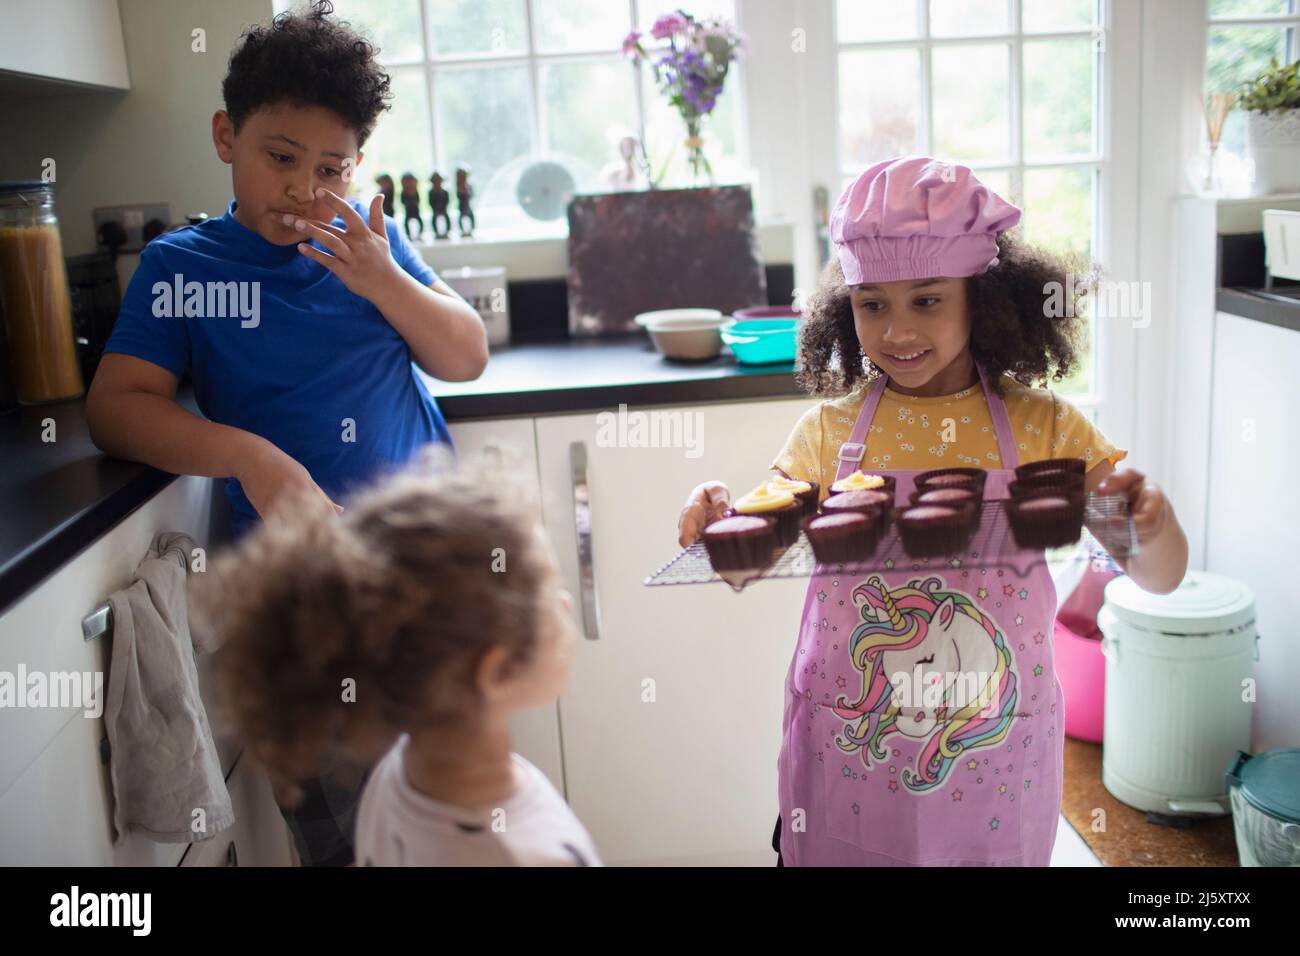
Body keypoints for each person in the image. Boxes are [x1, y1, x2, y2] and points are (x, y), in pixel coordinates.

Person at [677, 156, 1189, 866]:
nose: (895, 330)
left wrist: (1153, 526)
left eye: (926, 299)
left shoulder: (1048, 429)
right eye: (872, 304)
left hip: (993, 754)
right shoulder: (828, 435)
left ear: (982, 298)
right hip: (854, 747)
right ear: (845, 308)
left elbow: (1157, 578)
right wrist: (720, 523)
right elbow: (749, 556)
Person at [85, 0, 489, 865]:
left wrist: (386, 282)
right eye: (281, 158)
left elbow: (466, 357)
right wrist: (251, 457)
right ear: (227, 135)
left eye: (332, 168)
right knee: (347, 835)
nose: (307, 189)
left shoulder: (370, 243)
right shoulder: (182, 267)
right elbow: (115, 405)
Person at [193, 457, 600, 866]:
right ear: (493, 672)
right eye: (550, 590)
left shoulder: (397, 777)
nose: (566, 603)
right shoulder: (524, 855)